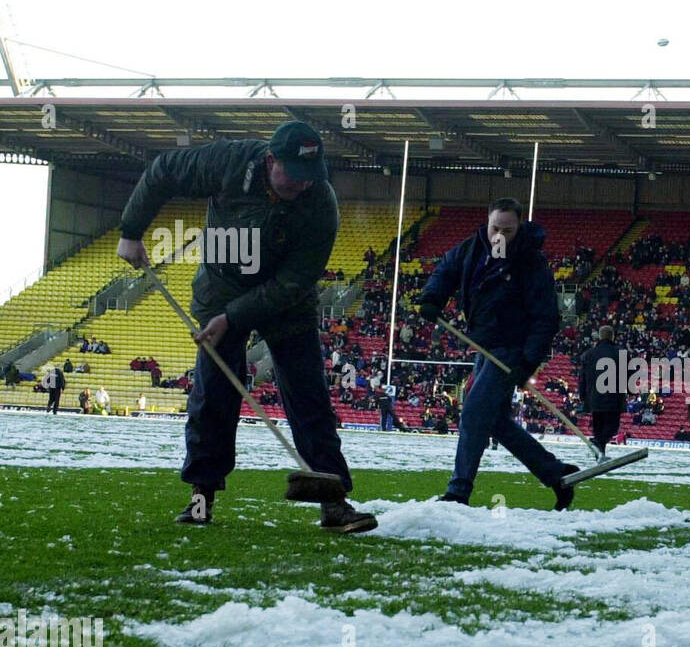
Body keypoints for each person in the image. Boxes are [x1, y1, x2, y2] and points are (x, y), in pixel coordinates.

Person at [117, 119, 375, 533]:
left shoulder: (320, 202)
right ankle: (201, 496)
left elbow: (294, 281)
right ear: (271, 159)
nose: (302, 185)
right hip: (221, 286)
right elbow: (164, 169)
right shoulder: (229, 161)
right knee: (214, 394)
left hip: (284, 301)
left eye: (310, 177)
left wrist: (234, 318)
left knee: (309, 398)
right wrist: (131, 231)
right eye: (293, 174)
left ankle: (334, 502)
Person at [418, 197, 578, 509]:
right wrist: (432, 297)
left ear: (519, 226)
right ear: (487, 222)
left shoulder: (531, 263)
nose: (500, 236)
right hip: (484, 346)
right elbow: (447, 270)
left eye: (508, 230)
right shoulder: (472, 248)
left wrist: (528, 360)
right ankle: (555, 473)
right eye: (495, 228)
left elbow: (546, 318)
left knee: (475, 413)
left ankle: (457, 492)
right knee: (494, 422)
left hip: (511, 349)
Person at [579, 324, 625, 459]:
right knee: (612, 426)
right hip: (613, 397)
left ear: (599, 336)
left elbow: (583, 377)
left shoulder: (588, 354)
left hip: (594, 397)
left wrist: (583, 395)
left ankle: (600, 454)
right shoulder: (621, 353)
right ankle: (598, 444)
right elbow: (627, 375)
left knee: (598, 427)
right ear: (613, 336)